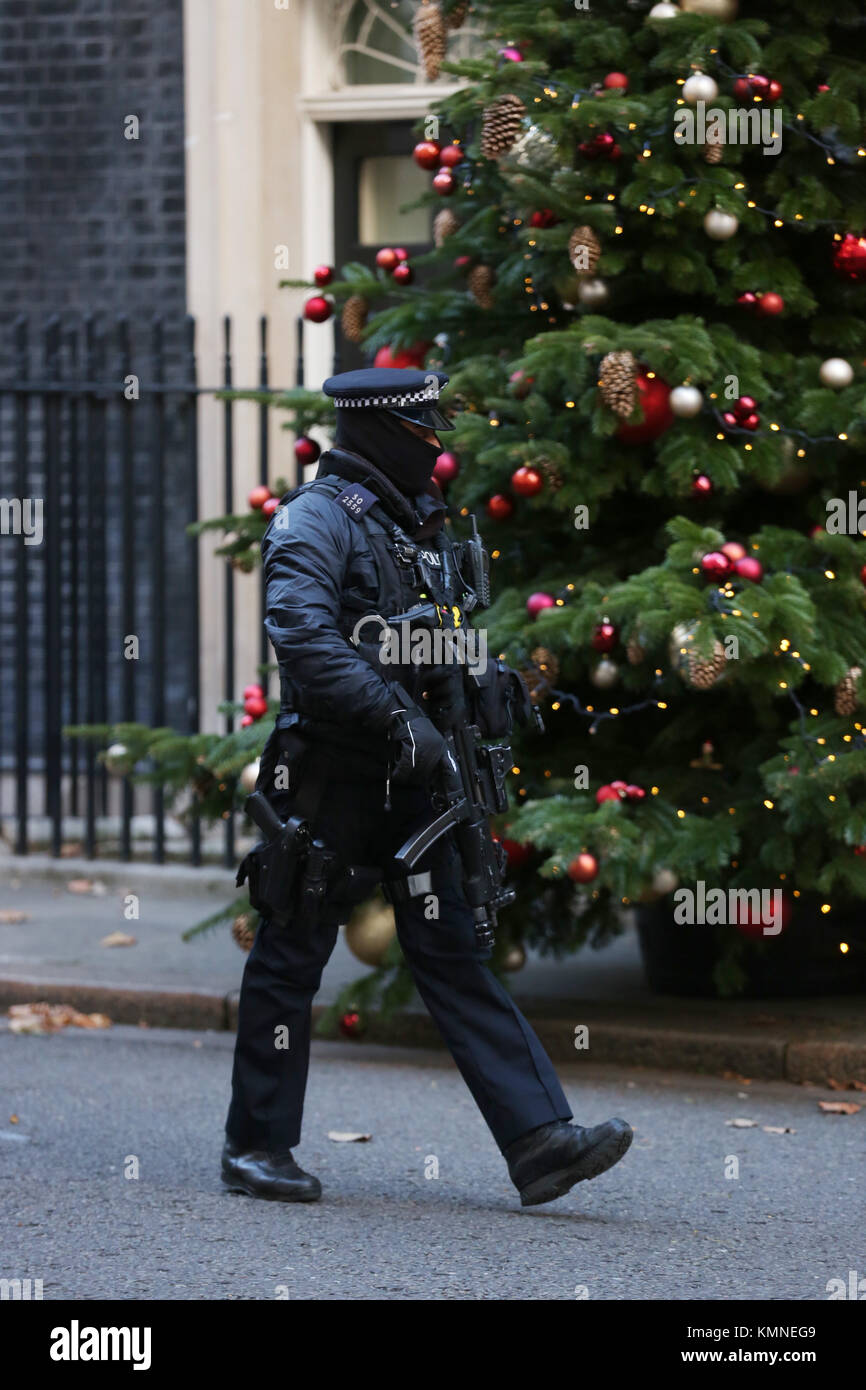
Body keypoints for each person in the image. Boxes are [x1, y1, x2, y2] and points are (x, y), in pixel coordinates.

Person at [222, 367, 633, 1207]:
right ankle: (256, 1146)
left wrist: (485, 678)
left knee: (452, 948)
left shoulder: (420, 526)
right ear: (376, 431)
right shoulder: (315, 520)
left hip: (414, 780)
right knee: (292, 951)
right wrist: (391, 717)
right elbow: (302, 639)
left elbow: (424, 639)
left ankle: (539, 1141)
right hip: (333, 774)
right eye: (424, 432)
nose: (439, 447)